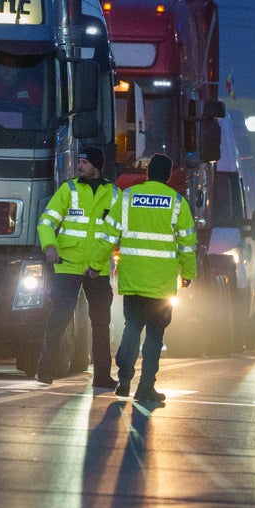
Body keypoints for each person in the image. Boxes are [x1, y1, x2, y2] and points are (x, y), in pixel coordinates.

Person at [90, 152, 196, 404]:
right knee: (155, 336)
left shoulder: (127, 198)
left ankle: (124, 378)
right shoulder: (177, 202)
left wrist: (95, 264)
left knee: (132, 328)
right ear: (168, 176)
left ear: (148, 174)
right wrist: (188, 274)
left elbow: (108, 235)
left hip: (132, 278)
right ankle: (146, 387)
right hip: (161, 284)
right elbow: (188, 244)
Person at [35, 145, 120, 386]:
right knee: (59, 318)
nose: (79, 166)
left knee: (101, 322)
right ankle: (45, 370)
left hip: (98, 268)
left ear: (96, 166)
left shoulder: (114, 194)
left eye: (84, 162)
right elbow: (46, 221)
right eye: (79, 161)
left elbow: (117, 231)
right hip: (67, 264)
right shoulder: (69, 189)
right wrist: (49, 246)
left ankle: (102, 376)